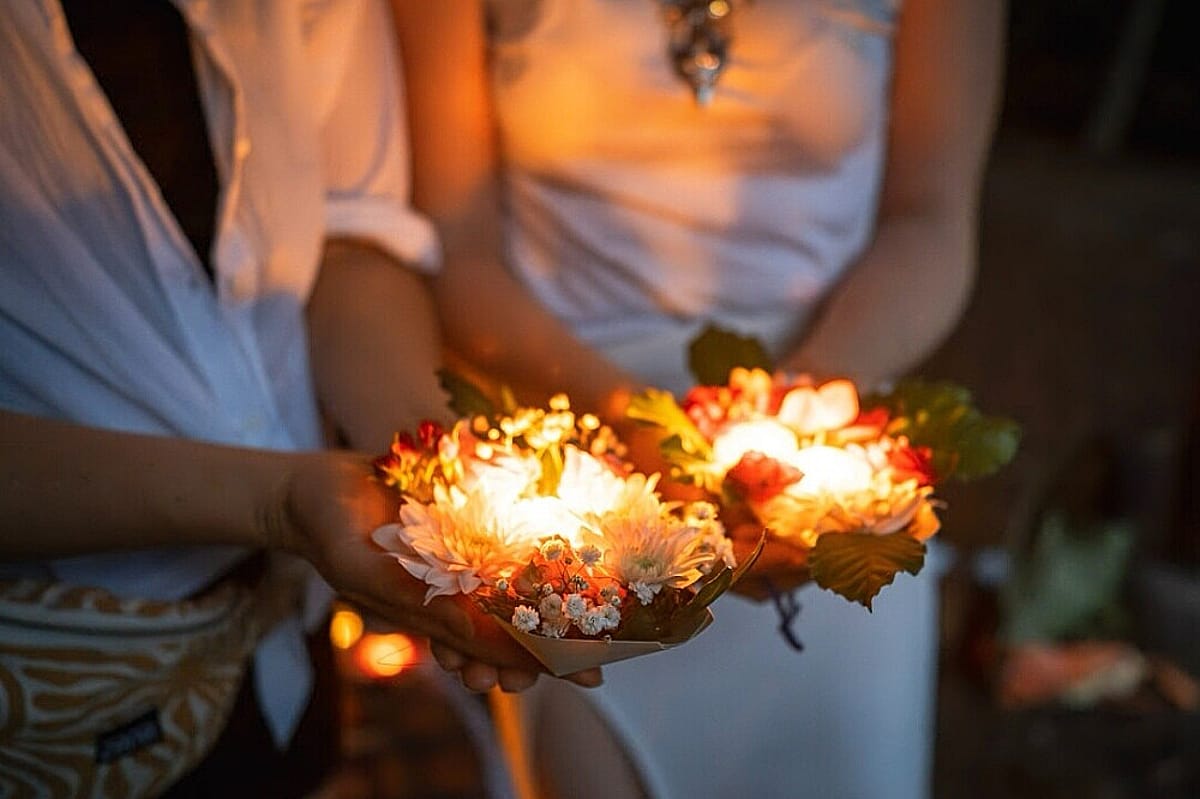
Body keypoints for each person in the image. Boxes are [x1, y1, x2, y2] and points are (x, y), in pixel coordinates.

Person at [392, 0, 1005, 797]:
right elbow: (457, 247)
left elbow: (932, 220)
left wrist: (796, 406)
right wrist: (633, 419)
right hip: (576, 483)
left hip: (820, 458)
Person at [0, 2, 598, 796]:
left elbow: (349, 241)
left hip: (287, 632)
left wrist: (441, 488)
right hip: (49, 680)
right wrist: (283, 500)